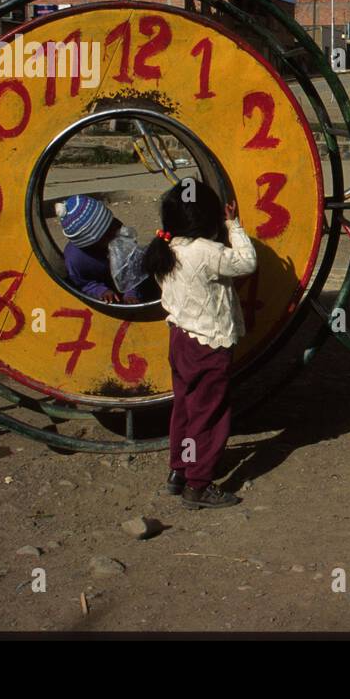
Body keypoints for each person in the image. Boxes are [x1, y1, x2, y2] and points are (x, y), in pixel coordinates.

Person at [143, 180, 258, 509]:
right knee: (209, 414)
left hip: (180, 341)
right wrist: (233, 225)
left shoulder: (166, 250)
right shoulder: (206, 252)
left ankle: (179, 470)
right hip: (208, 344)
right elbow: (247, 262)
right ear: (207, 218)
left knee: (186, 407)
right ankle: (199, 484)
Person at [57, 195, 156, 304]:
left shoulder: (117, 232)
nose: (117, 233)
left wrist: (132, 292)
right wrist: (101, 291)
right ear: (90, 243)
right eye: (109, 233)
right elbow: (83, 283)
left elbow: (133, 268)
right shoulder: (76, 260)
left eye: (114, 225)